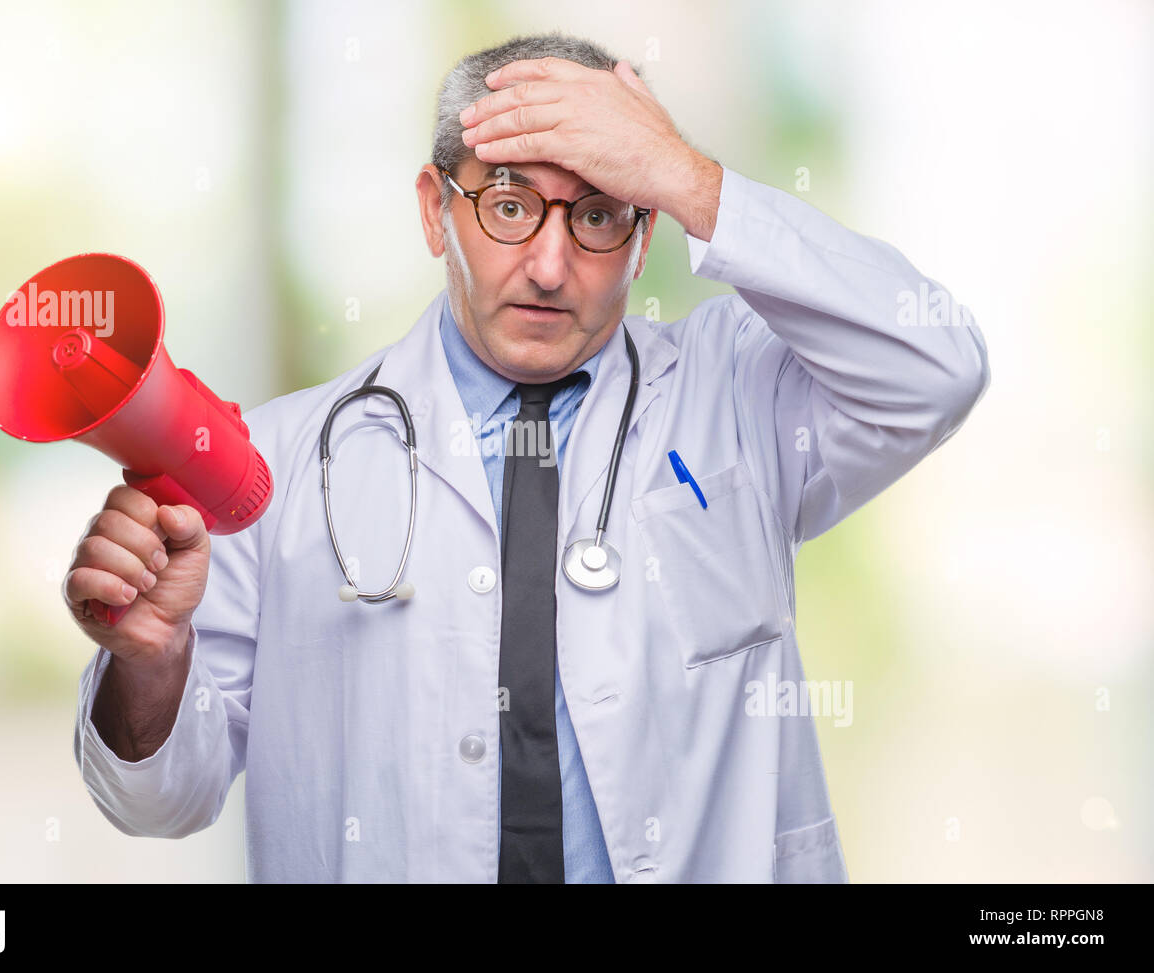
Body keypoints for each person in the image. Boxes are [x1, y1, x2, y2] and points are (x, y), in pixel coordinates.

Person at [68, 31, 989, 883]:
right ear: (437, 212)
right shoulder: (277, 460)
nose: (550, 265)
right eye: (509, 205)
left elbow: (937, 366)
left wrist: (686, 174)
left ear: (644, 235)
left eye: (596, 216)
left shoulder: (738, 395)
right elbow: (159, 801)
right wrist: (151, 657)